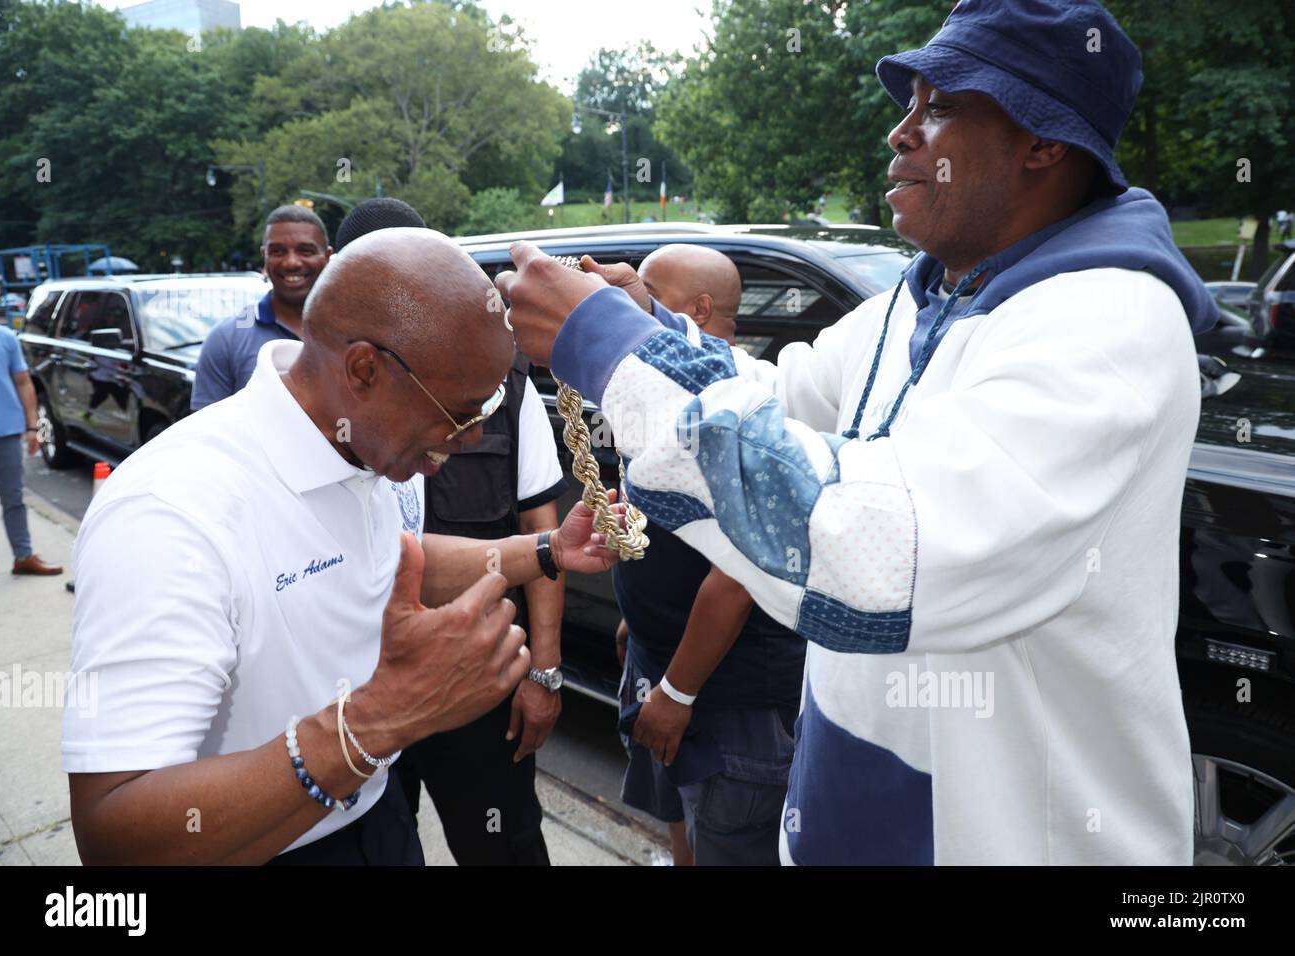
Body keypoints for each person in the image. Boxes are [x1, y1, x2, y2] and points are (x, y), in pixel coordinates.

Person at [498, 0, 1219, 865]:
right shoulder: (923, 299)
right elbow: (779, 397)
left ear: (1045, 141)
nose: (899, 133)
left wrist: (606, 347)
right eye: (907, 104)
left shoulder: (1106, 323)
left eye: (941, 105)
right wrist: (649, 323)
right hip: (862, 802)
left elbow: (874, 554)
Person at [62, 228, 625, 864]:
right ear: (363, 369)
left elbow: (391, 563)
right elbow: (116, 832)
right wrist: (383, 719)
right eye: (462, 411)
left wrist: (549, 549)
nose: (471, 437)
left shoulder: (351, 444)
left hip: (373, 818)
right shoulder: (170, 513)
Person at [331, 197, 571, 865]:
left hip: (478, 682)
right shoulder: (320, 396)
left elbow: (539, 523)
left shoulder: (502, 380)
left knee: (503, 846)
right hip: (358, 688)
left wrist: (544, 673)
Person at [614, 244, 804, 866]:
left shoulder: (739, 402)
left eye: (647, 290)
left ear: (695, 309)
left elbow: (742, 570)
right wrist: (636, 618)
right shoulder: (663, 381)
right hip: (661, 663)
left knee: (727, 836)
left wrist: (678, 691)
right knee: (679, 821)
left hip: (725, 694)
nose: (627, 302)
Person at [191, 205, 332, 410]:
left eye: (306, 251)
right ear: (264, 256)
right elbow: (206, 432)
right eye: (278, 252)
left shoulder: (356, 330)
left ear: (327, 257)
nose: (291, 262)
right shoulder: (227, 338)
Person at [0, 321, 61, 575]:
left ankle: (23, 557)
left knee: (14, 498)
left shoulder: (5, 337)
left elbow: (23, 382)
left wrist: (35, 428)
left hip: (6, 432)